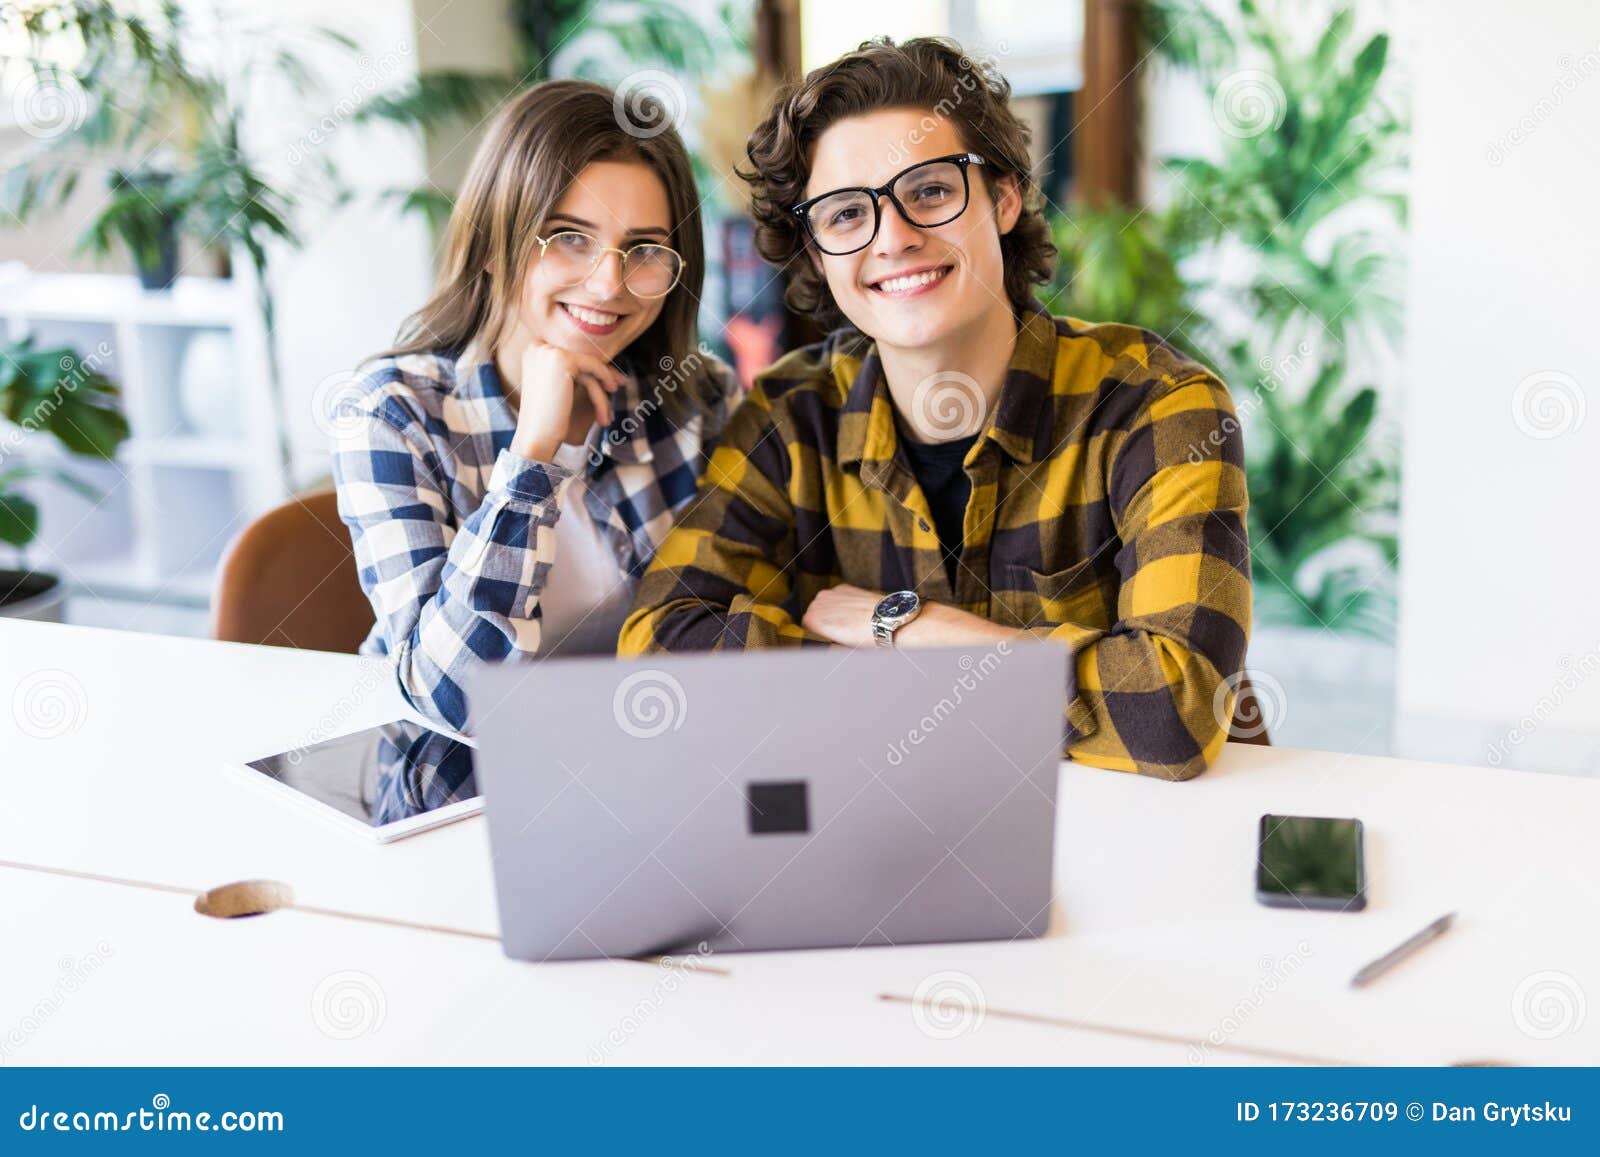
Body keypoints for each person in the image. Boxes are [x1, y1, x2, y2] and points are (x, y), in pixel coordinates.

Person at [618, 38, 1252, 781]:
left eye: (928, 191)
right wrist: (1010, 667)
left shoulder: (1158, 406)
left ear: (1004, 197)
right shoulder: (791, 416)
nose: (893, 238)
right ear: (818, 250)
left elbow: (1171, 712)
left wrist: (904, 628)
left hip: (1131, 846)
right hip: (890, 844)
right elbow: (662, 647)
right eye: (847, 213)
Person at [331, 80, 739, 816]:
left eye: (643, 249)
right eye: (570, 238)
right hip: (464, 812)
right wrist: (534, 460)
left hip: (655, 794)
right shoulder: (391, 416)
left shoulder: (696, 398)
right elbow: (449, 700)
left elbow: (733, 626)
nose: (609, 284)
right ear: (495, 242)